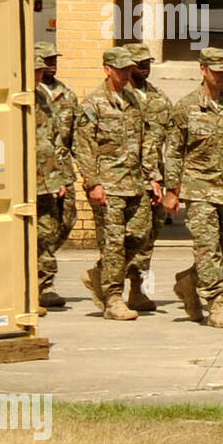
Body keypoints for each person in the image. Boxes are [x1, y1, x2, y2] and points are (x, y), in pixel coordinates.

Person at [74, 47, 161, 321]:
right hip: (108, 185)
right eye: (121, 70)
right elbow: (84, 147)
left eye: (129, 70)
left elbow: (146, 141)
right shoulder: (93, 104)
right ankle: (113, 298)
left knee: (140, 236)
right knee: (113, 243)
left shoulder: (134, 100)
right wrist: (93, 183)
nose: (126, 75)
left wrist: (153, 178)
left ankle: (100, 273)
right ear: (108, 69)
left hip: (135, 183)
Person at [163, 48, 223, 328]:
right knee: (207, 247)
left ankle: (189, 281)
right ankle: (215, 302)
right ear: (203, 71)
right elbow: (174, 151)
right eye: (219, 72)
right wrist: (171, 190)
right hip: (198, 189)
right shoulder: (186, 107)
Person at [118, 43, 171, 312]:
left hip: (154, 177)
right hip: (122, 178)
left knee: (148, 235)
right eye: (140, 64)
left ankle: (137, 289)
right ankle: (109, 282)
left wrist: (167, 181)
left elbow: (171, 141)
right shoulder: (117, 98)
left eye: (148, 63)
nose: (145, 68)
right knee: (126, 236)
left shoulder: (159, 99)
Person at [34, 43, 76, 309]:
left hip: (60, 171)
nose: (51, 65)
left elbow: (70, 137)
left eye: (53, 60)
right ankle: (42, 283)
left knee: (65, 221)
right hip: (38, 174)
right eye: (44, 61)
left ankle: (40, 271)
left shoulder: (65, 94)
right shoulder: (29, 95)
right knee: (42, 229)